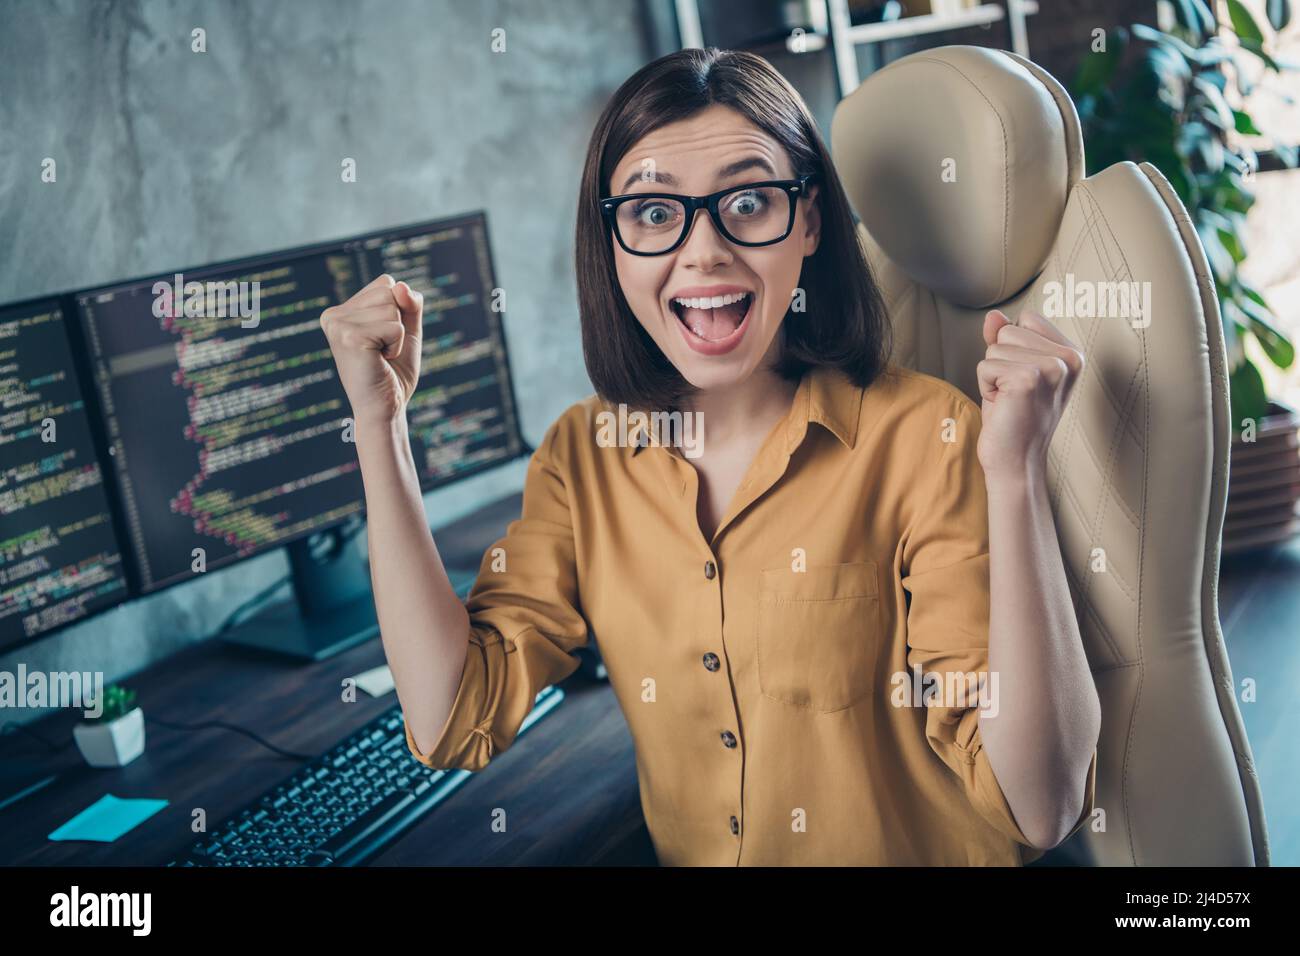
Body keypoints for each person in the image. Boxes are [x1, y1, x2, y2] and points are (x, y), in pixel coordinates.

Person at [320, 47, 1100, 866]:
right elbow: (452, 721)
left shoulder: (927, 438)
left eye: (750, 201)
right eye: (655, 213)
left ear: (809, 220)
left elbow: (1038, 807)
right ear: (612, 242)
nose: (704, 253)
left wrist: (1014, 474)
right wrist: (380, 425)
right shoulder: (581, 460)